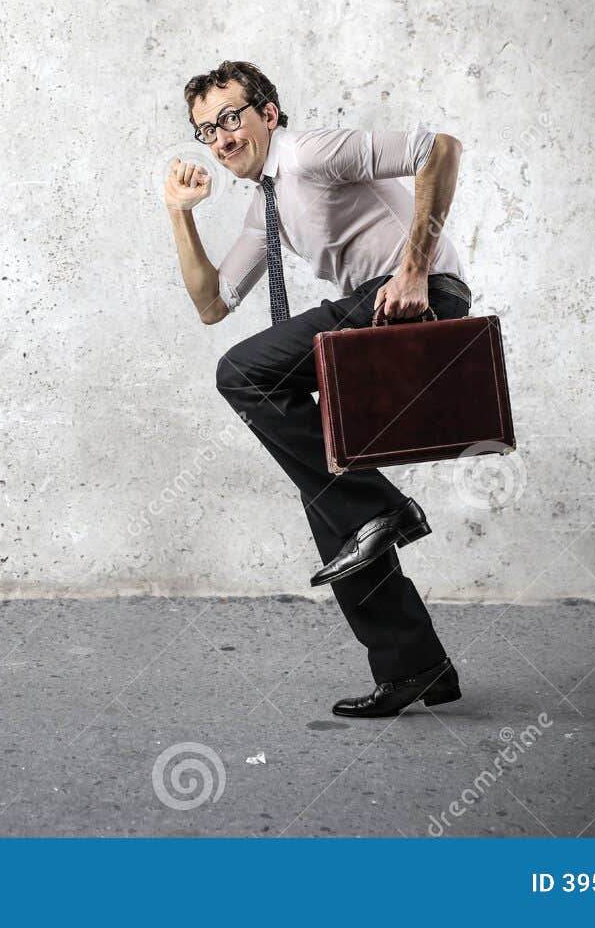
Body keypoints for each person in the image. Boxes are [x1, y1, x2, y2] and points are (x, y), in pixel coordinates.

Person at [164, 60, 473, 719]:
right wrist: (179, 214)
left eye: (229, 117)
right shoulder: (267, 205)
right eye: (204, 131)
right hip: (377, 314)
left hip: (418, 300)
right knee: (324, 487)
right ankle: (415, 664)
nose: (219, 139)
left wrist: (415, 270)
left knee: (241, 372)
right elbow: (213, 303)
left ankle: (375, 508)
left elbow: (439, 148)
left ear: (268, 112)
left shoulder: (309, 153)